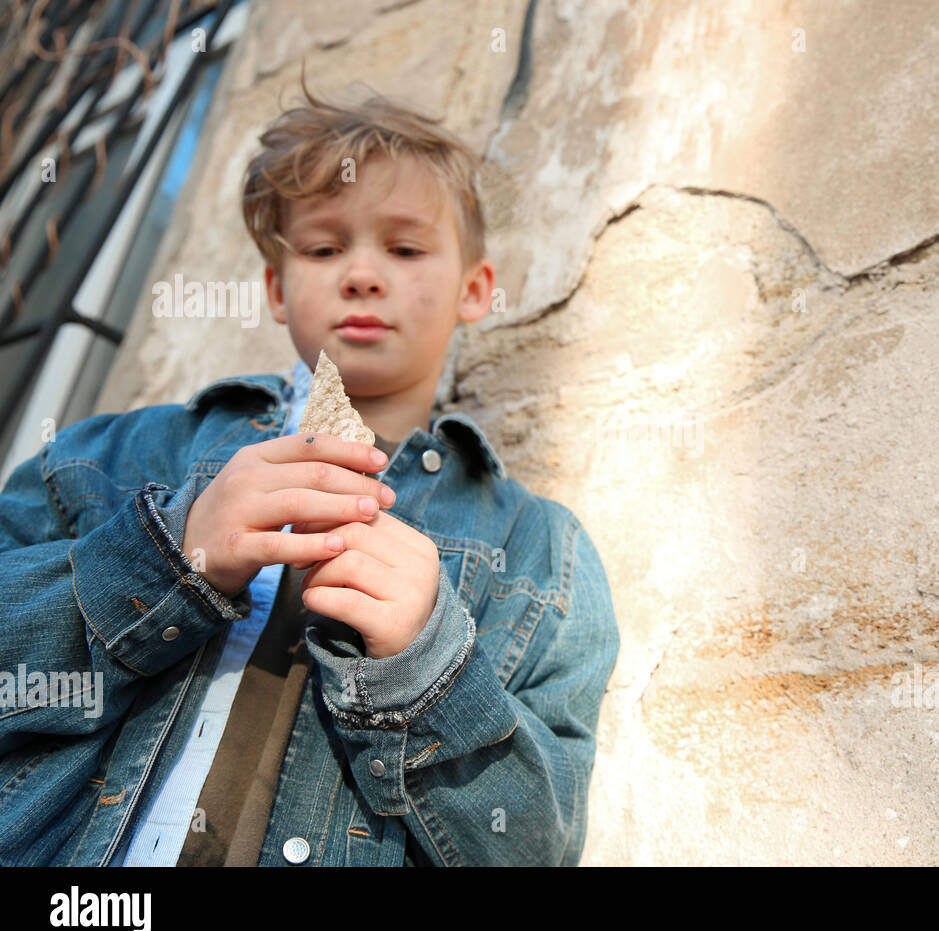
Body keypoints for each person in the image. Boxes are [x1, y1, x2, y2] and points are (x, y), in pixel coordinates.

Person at [0, 78, 620, 866]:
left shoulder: (544, 551)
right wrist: (163, 555)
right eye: (325, 248)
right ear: (275, 289)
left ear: (475, 290)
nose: (362, 275)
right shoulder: (111, 457)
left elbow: (538, 845)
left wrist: (427, 667)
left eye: (404, 247)